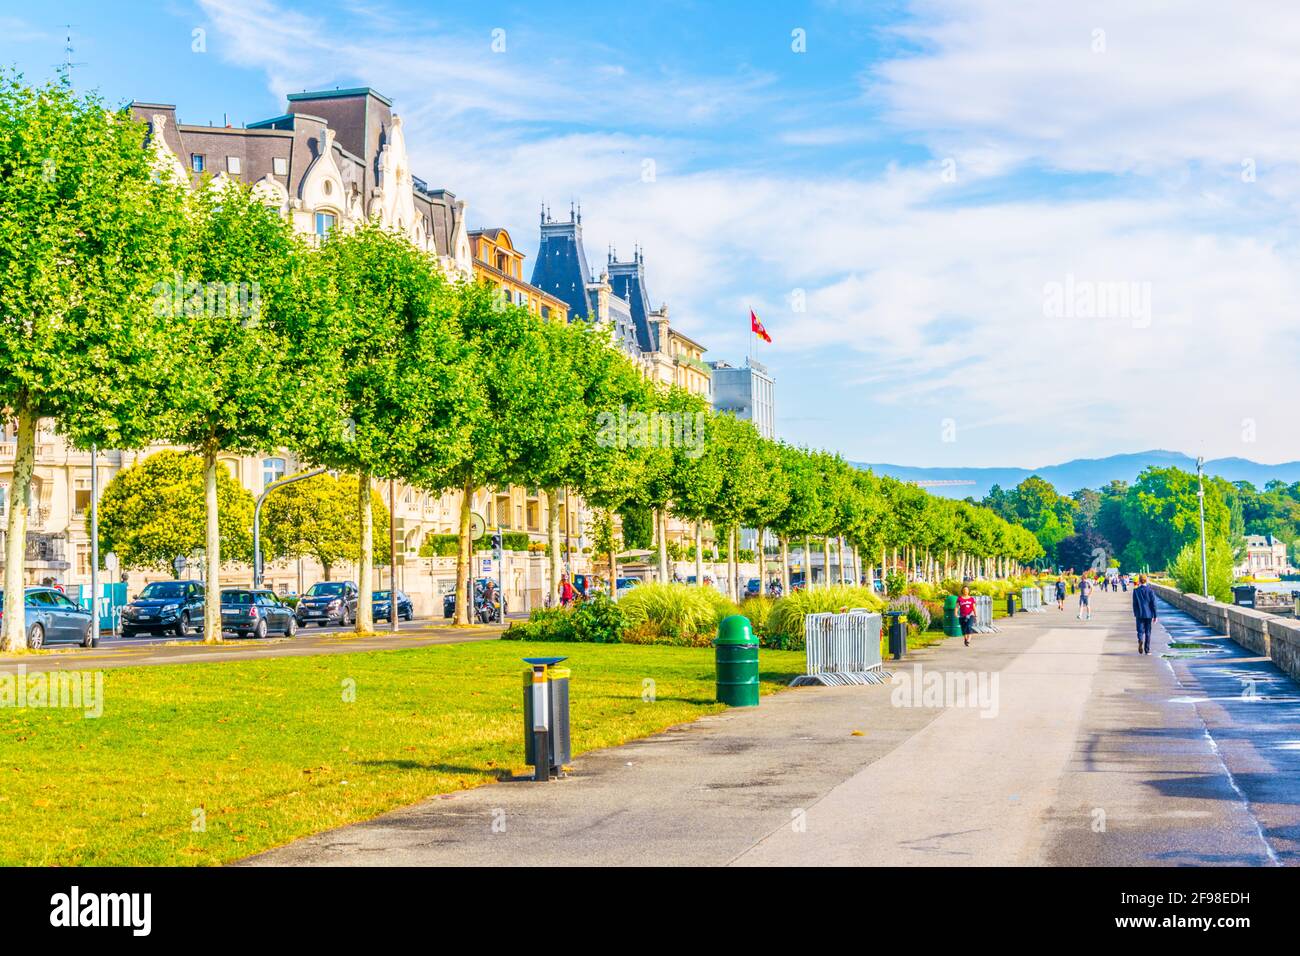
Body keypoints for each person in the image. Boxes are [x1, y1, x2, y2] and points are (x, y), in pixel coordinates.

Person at [1132, 573, 1158, 654]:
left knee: (1140, 631)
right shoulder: (1150, 591)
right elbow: (1153, 604)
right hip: (1148, 614)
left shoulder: (1136, 591)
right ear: (1146, 580)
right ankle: (1147, 650)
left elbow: (1134, 603)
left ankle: (1140, 640)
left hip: (1139, 614)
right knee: (1148, 632)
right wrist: (1155, 616)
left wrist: (1135, 613)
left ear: (1139, 580)